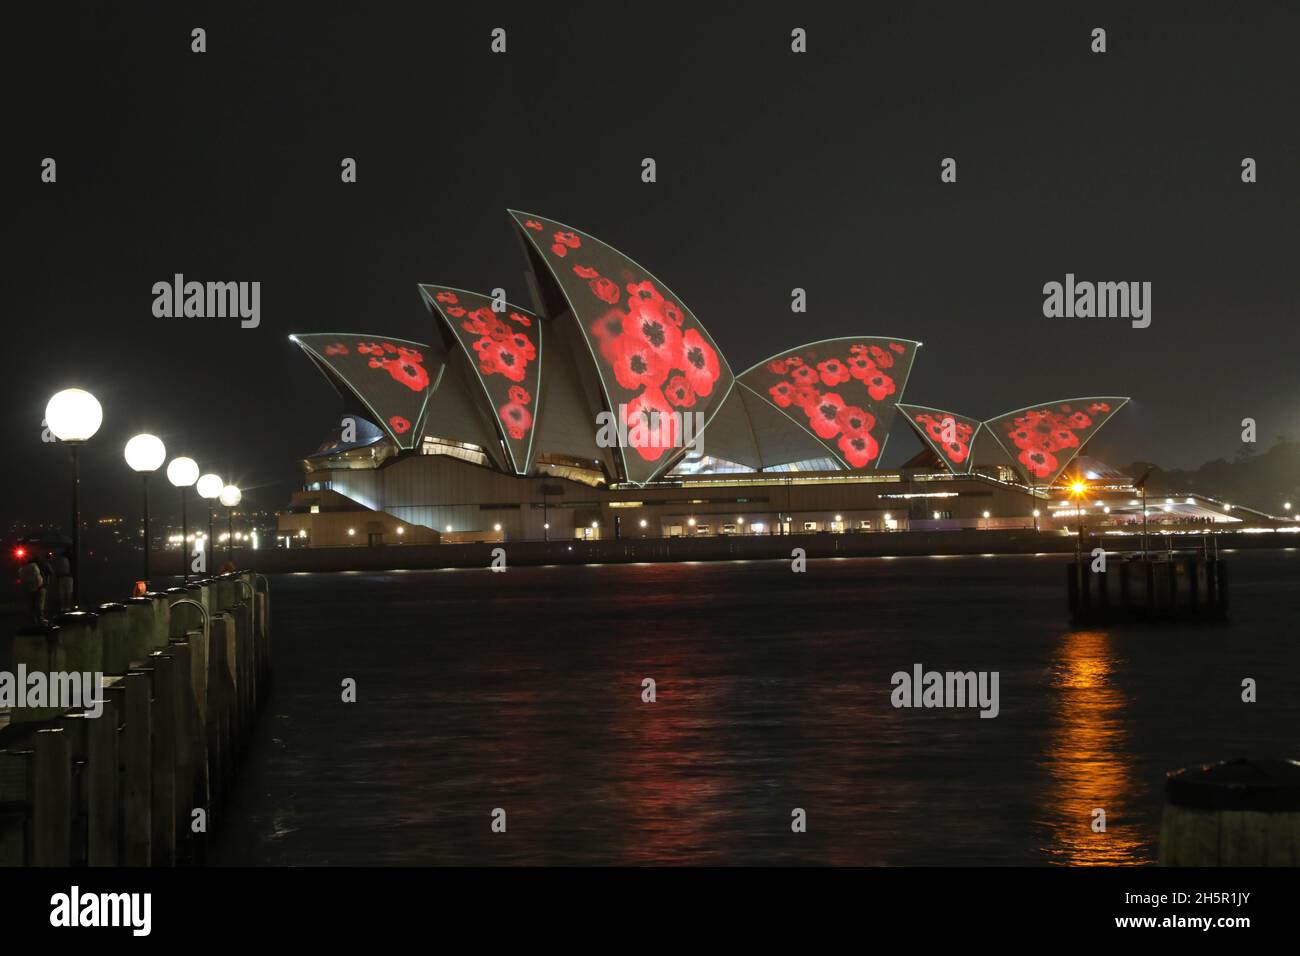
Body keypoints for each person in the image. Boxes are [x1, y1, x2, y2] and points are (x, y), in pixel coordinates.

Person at [19, 555, 46, 624]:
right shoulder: (33, 566)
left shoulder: (21, 569)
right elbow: (38, 576)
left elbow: (22, 579)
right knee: (39, 604)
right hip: (38, 588)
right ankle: (40, 619)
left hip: (29, 589)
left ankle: (32, 619)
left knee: (31, 605)